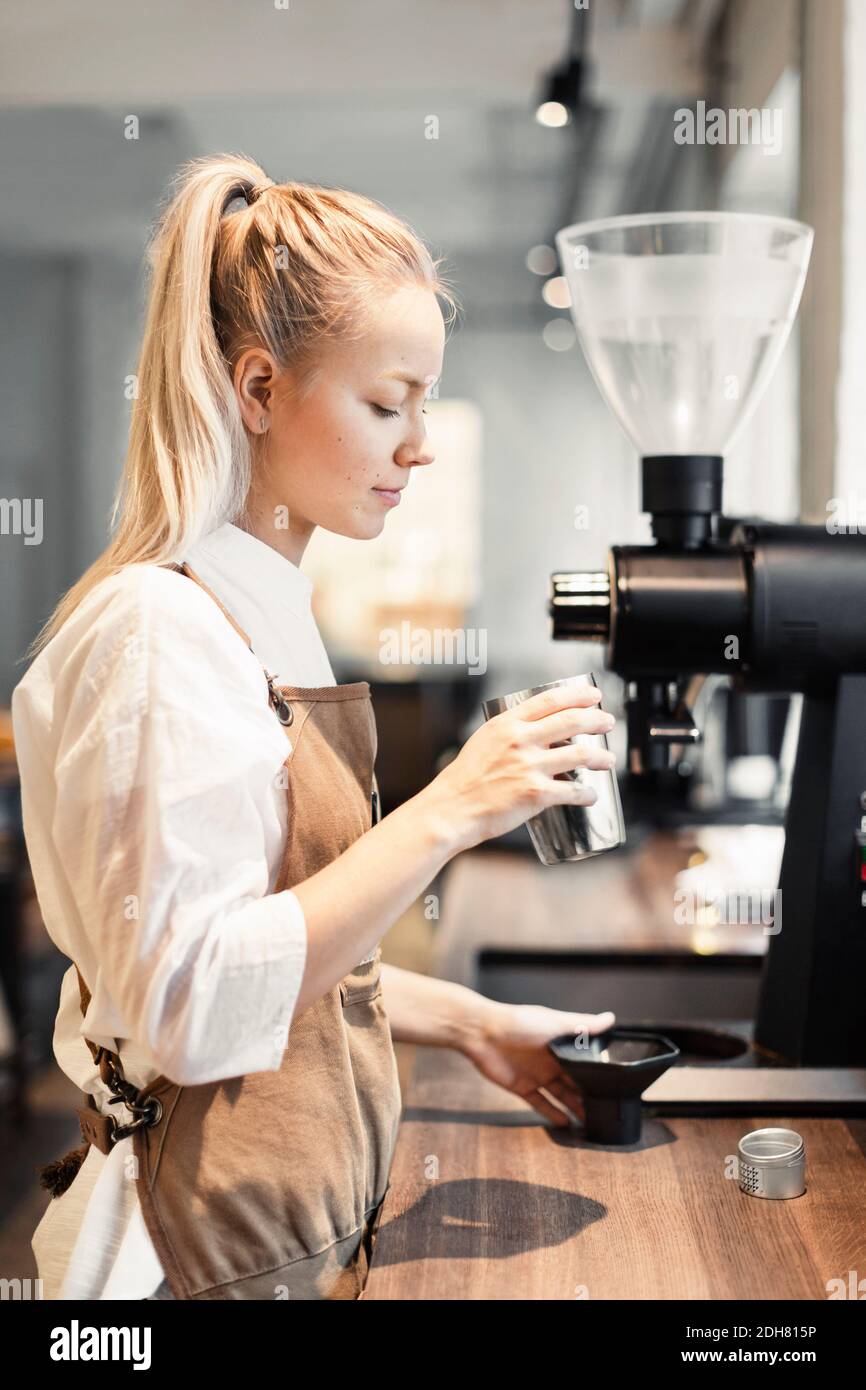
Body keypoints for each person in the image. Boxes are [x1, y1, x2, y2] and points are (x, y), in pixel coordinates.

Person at [11, 153, 617, 1301]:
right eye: (386, 402)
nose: (418, 441)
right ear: (255, 390)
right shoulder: (156, 629)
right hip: (178, 1263)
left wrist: (467, 1022)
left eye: (423, 403)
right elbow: (185, 1007)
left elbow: (278, 951)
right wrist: (449, 810)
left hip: (285, 1238)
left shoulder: (268, 610)